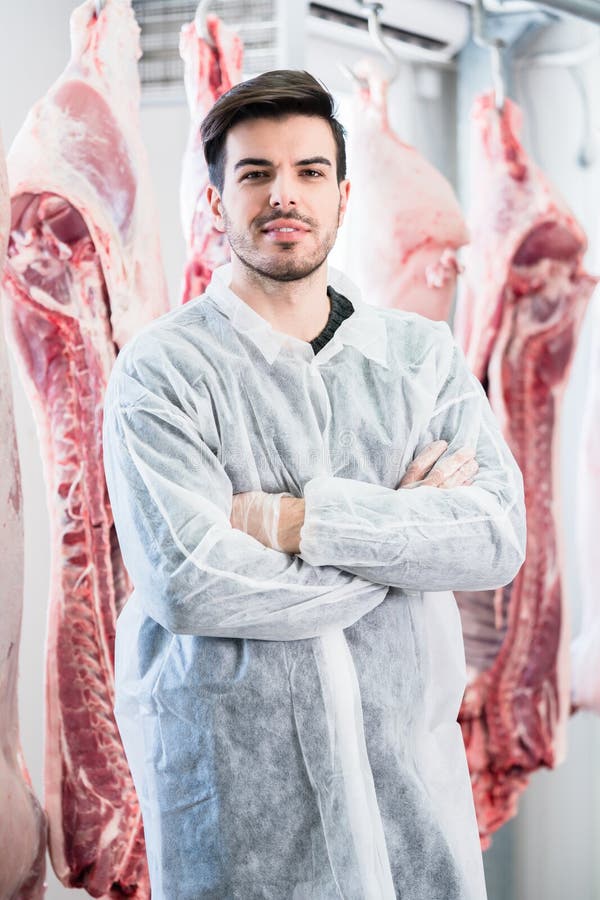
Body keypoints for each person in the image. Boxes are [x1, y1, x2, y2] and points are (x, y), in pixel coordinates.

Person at [103, 69, 526, 900]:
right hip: (244, 824)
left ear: (343, 194)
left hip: (416, 808)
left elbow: (493, 538)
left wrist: (289, 520)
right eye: (255, 174)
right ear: (217, 201)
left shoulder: (418, 358)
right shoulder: (163, 371)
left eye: (307, 172)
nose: (282, 196)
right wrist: (402, 536)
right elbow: (192, 582)